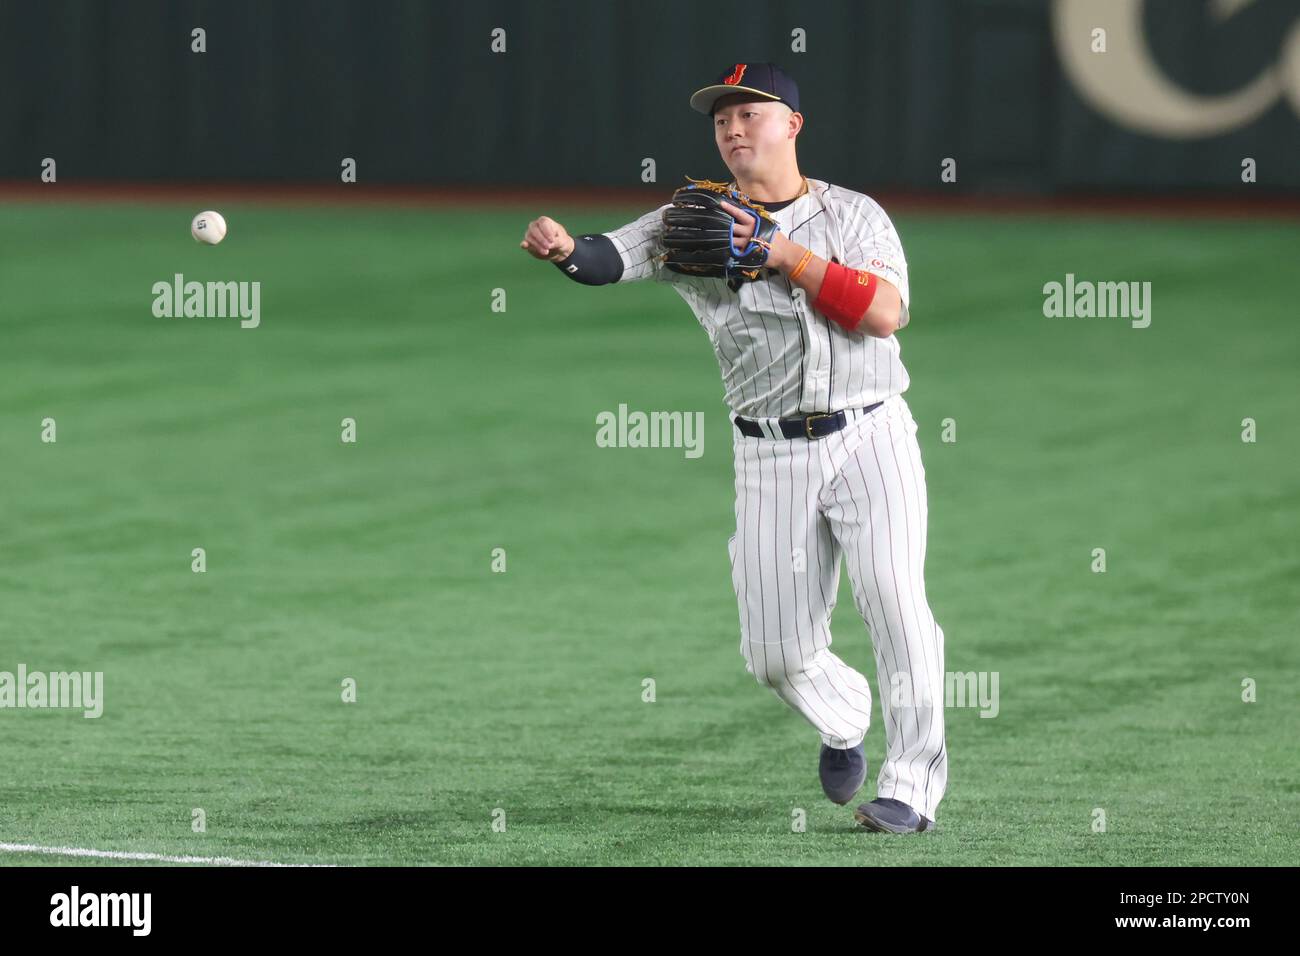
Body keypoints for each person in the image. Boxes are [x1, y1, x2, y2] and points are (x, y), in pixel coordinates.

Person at [519, 62, 946, 833]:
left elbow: (884, 313)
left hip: (872, 432)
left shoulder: (855, 216)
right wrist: (562, 252)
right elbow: (609, 258)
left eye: (751, 113)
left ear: (793, 125)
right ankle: (845, 712)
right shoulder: (688, 220)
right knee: (775, 655)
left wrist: (787, 256)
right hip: (768, 452)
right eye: (722, 120)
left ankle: (910, 789)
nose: (733, 128)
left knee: (896, 602)